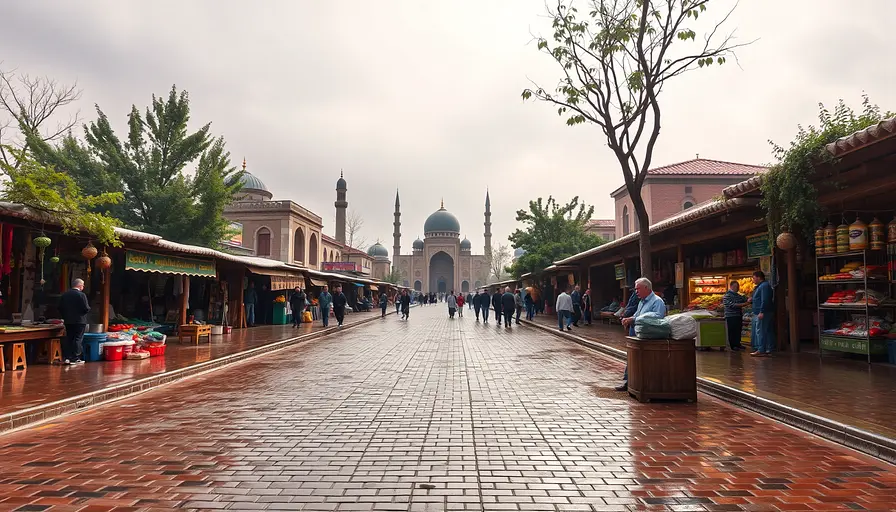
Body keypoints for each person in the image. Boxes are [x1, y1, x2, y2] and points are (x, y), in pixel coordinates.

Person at [616, 278, 667, 392]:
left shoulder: (657, 301)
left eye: (638, 289)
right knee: (632, 357)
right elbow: (637, 315)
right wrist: (629, 319)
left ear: (646, 288)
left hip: (648, 337)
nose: (636, 291)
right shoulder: (641, 302)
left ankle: (635, 382)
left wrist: (635, 318)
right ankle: (629, 381)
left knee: (643, 360)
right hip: (636, 333)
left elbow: (658, 317)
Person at [59, 278, 90, 365]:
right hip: (79, 321)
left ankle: (67, 357)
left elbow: (60, 307)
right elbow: (86, 308)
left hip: (68, 321)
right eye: (83, 285)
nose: (83, 287)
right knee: (78, 338)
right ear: (80, 286)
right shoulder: (81, 295)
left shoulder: (65, 295)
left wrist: (65, 315)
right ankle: (75, 358)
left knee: (69, 338)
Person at [749, 270, 774, 357]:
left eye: (754, 278)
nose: (753, 280)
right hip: (766, 311)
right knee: (767, 331)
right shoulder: (761, 286)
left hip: (763, 312)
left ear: (759, 278)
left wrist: (762, 311)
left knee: (761, 331)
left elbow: (765, 300)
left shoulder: (764, 286)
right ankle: (768, 349)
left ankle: (761, 349)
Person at [723, 280, 748, 351]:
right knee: (732, 331)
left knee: (738, 330)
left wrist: (748, 299)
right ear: (731, 286)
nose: (738, 288)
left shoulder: (738, 295)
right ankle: (733, 345)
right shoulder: (727, 295)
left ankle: (738, 344)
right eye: (736, 287)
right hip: (730, 316)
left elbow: (744, 299)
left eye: (738, 287)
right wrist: (744, 304)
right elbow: (731, 305)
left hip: (738, 315)